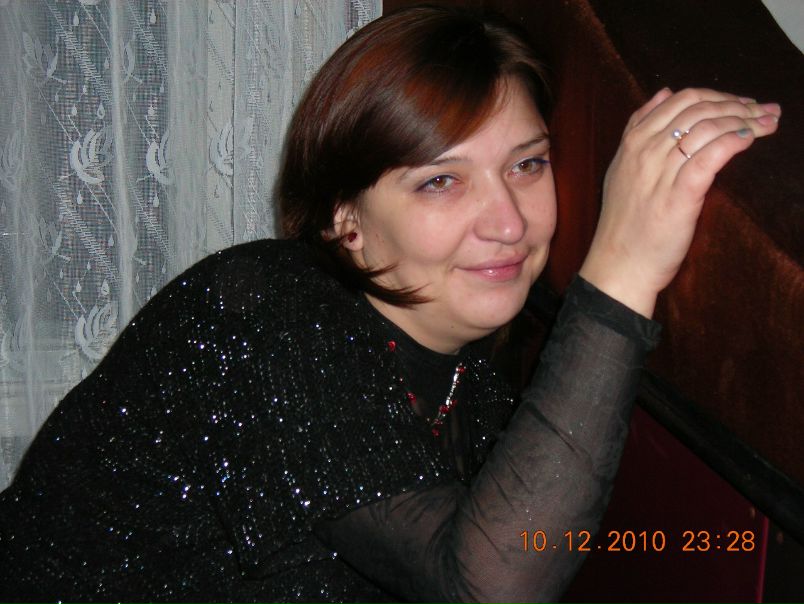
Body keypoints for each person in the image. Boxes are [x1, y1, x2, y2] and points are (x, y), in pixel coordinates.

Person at [0, 5, 780, 603]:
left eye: (527, 164)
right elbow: (488, 587)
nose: (508, 222)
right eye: (440, 181)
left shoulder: (474, 381)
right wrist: (621, 271)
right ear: (348, 222)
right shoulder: (262, 313)